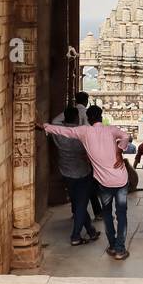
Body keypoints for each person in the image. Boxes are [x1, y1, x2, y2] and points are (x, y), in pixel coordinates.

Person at [39, 104, 132, 259]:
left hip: (103, 183)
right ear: (101, 117)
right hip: (121, 179)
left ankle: (113, 246)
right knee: (121, 214)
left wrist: (44, 126)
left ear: (88, 119)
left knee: (107, 214)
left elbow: (64, 131)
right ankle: (120, 249)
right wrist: (119, 151)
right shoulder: (111, 130)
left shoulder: (84, 131)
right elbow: (126, 136)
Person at [47, 104, 101, 246]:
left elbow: (55, 121)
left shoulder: (58, 132)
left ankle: (91, 231)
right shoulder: (82, 133)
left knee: (78, 203)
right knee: (81, 206)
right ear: (77, 117)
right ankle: (76, 236)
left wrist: (69, 113)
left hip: (66, 171)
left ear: (64, 118)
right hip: (83, 172)